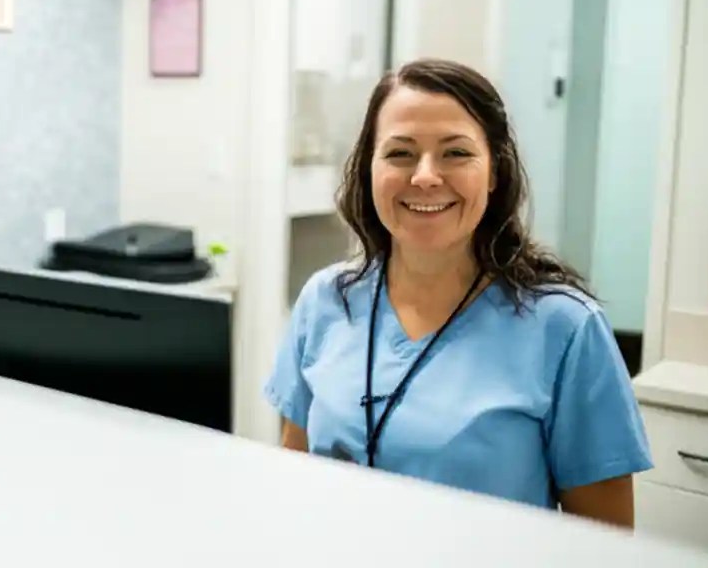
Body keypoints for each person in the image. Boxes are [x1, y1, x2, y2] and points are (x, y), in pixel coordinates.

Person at [264, 58, 651, 528]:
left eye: (456, 153)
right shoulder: (326, 301)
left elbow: (605, 546)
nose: (425, 176)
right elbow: (292, 480)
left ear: (494, 172)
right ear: (370, 169)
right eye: (400, 153)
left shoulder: (566, 329)